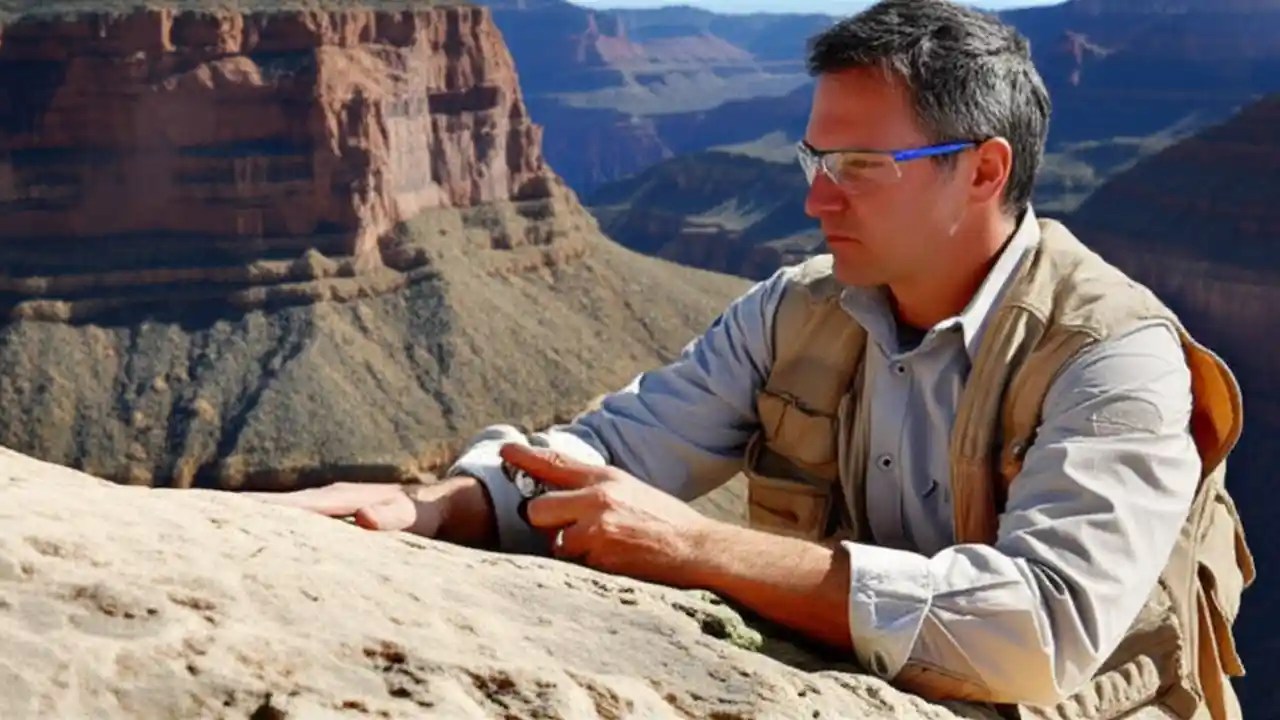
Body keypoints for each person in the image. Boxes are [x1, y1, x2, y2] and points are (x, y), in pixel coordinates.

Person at [249, 1, 1254, 717]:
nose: (815, 198)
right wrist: (434, 506)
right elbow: (615, 452)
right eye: (814, 158)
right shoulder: (797, 310)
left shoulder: (1112, 358)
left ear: (983, 169)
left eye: (859, 165)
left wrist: (696, 548)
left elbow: (1038, 635)